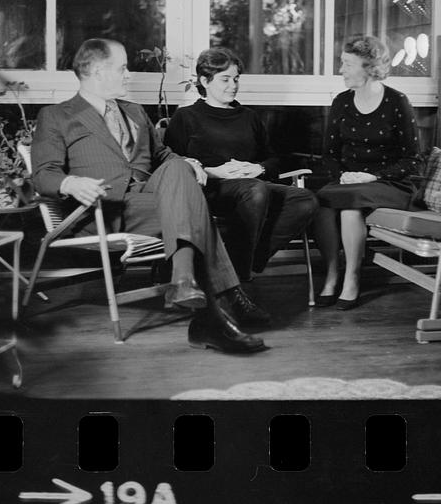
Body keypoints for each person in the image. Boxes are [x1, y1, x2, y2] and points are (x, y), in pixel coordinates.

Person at [31, 38, 271, 354]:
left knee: (178, 168)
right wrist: (71, 183)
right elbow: (43, 174)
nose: (128, 74)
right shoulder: (58, 115)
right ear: (98, 71)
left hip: (153, 202)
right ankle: (212, 312)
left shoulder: (134, 111)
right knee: (196, 210)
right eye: (122, 68)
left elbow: (163, 155)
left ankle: (186, 283)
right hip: (104, 209)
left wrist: (188, 163)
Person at [164, 48, 318, 285]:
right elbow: (172, 165)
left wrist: (260, 169)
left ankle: (239, 265)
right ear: (205, 81)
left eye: (236, 79)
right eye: (225, 79)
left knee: (305, 200)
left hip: (255, 190)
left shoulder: (248, 117)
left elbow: (276, 159)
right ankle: (237, 276)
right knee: (256, 190)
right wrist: (212, 172)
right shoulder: (186, 117)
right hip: (209, 192)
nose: (233, 85)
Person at [313, 35, 421, 310]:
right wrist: (343, 175)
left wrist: (373, 177)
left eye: (347, 64)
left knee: (349, 206)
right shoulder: (341, 102)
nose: (341, 70)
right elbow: (330, 154)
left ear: (369, 67)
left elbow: (412, 159)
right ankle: (332, 274)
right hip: (350, 184)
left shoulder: (398, 102)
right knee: (321, 202)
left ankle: (351, 277)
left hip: (390, 184)